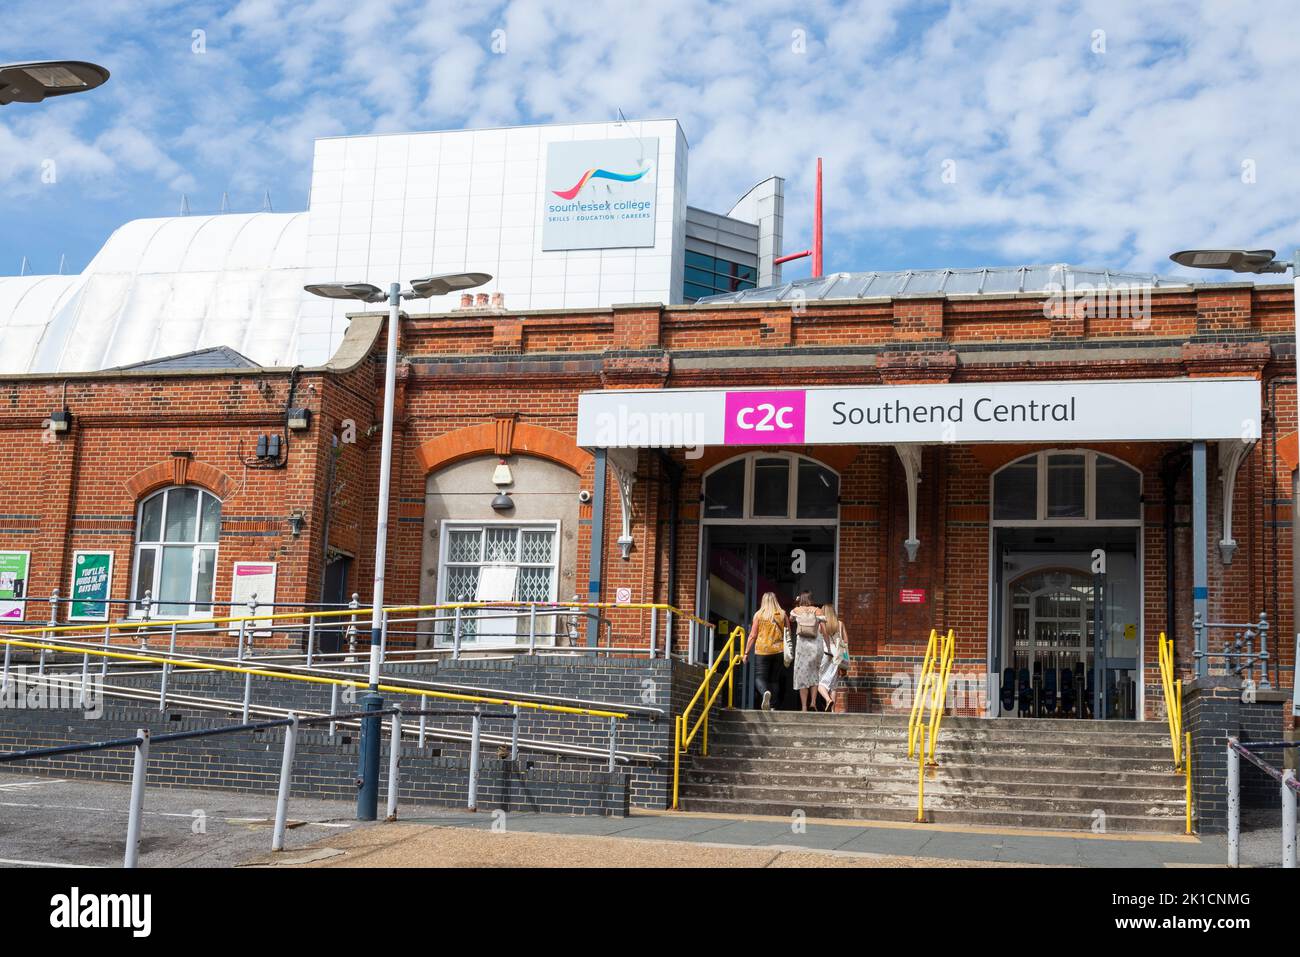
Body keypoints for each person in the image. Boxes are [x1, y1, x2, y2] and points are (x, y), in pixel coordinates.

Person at [741, 591, 787, 711]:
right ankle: (772, 706)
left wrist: (746, 652)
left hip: (762, 651)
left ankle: (765, 692)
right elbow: (788, 633)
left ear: (763, 601)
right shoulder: (782, 614)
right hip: (778, 651)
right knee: (774, 680)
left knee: (759, 677)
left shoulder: (759, 615)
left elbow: (753, 635)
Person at [788, 590, 824, 712]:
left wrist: (797, 603)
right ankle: (813, 702)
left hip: (802, 647)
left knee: (802, 676)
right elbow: (825, 620)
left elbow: (791, 619)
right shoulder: (817, 610)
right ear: (811, 599)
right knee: (814, 674)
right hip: (815, 646)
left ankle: (804, 706)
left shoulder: (796, 610)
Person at [815, 604, 848, 712]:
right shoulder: (840, 624)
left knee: (819, 682)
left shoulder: (821, 624)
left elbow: (817, 641)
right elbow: (846, 641)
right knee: (833, 684)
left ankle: (828, 700)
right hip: (838, 654)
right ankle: (832, 711)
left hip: (826, 652)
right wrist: (845, 658)